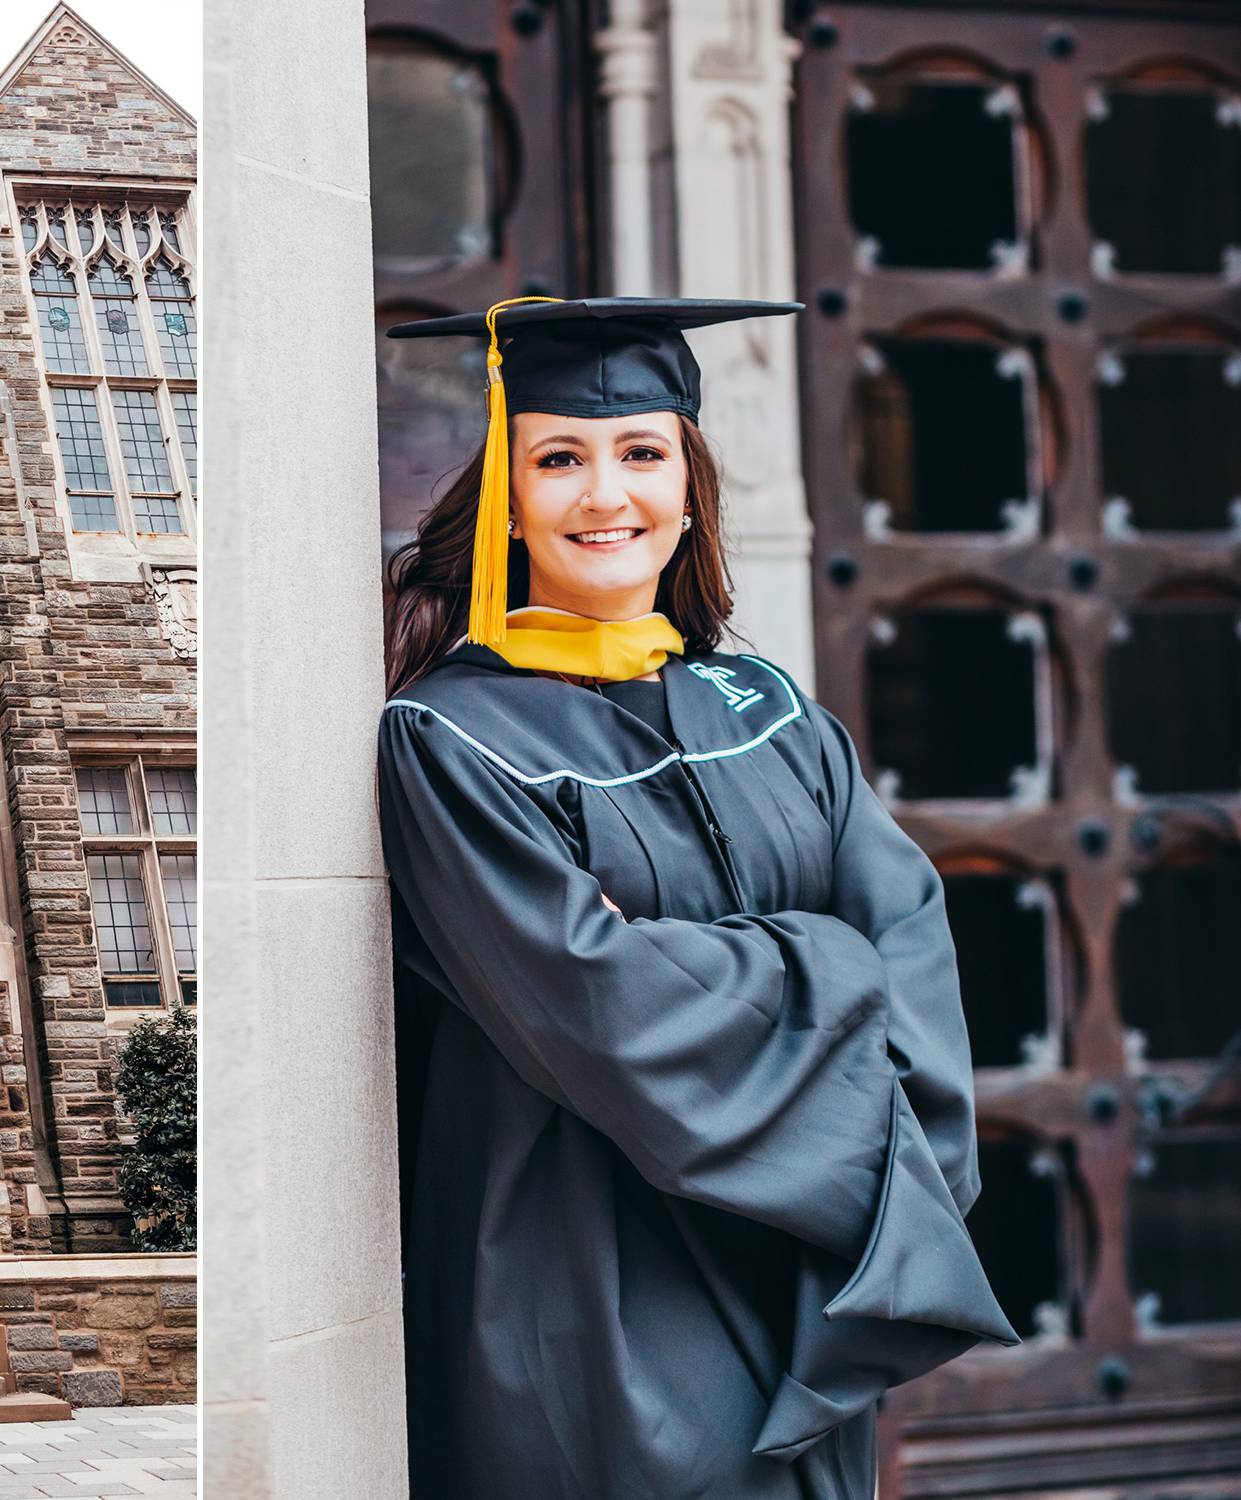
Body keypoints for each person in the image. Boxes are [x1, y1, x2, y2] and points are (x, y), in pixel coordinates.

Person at [376, 297, 1018, 1500]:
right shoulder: (450, 740)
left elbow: (911, 949)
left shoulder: (771, 709)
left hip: (808, 1275)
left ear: (687, 485)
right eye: (558, 458)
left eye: (639, 453)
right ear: (508, 498)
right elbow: (607, 1020)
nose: (603, 495)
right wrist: (831, 964)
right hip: (598, 1300)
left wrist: (717, 960)